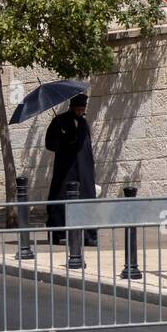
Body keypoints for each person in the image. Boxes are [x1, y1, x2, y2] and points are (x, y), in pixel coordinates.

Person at [44, 94, 98, 246]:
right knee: (61, 199)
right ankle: (59, 233)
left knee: (86, 199)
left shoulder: (84, 123)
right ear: (72, 107)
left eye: (83, 109)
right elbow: (50, 144)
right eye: (78, 109)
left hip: (84, 169)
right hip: (66, 169)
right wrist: (64, 139)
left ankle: (88, 234)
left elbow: (87, 146)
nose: (81, 112)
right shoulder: (59, 121)